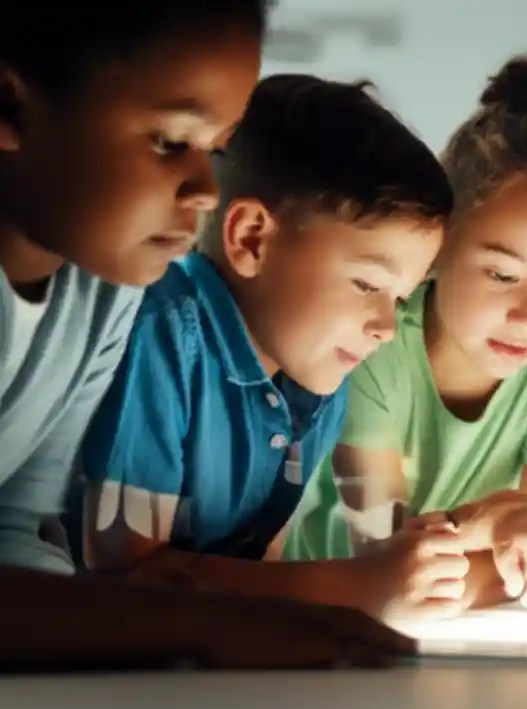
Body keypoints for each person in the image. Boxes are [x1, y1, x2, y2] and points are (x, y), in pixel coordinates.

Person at [1, 1, 411, 670]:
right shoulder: (160, 317)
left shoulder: (104, 295)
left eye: (216, 149)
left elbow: (15, 534)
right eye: (170, 142)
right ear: (13, 108)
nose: (204, 188)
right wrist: (192, 622)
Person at [77, 73, 468, 631]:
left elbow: (264, 564)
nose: (385, 326)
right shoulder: (162, 331)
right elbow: (122, 575)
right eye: (366, 285)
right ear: (252, 238)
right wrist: (351, 589)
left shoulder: (322, 376)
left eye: (400, 299)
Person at [286, 46, 527, 615]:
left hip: (446, 629)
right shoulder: (378, 343)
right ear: (439, 245)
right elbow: (384, 555)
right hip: (322, 616)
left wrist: (474, 572)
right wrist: (495, 526)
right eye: (501, 273)